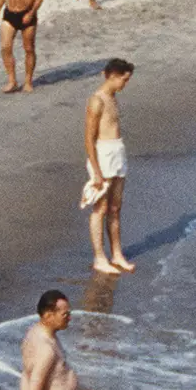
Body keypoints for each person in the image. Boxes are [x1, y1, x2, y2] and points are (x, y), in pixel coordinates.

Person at [8, 289, 78, 390]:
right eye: (65, 314)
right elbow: (35, 388)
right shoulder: (46, 349)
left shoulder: (34, 333)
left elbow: (26, 373)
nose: (69, 318)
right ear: (48, 315)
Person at [84, 58, 136, 275]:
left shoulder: (113, 98)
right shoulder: (97, 101)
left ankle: (117, 254)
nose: (125, 84)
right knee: (101, 208)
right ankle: (99, 257)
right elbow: (88, 138)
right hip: (103, 155)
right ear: (113, 76)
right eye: (124, 80)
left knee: (115, 208)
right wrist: (96, 171)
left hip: (117, 152)